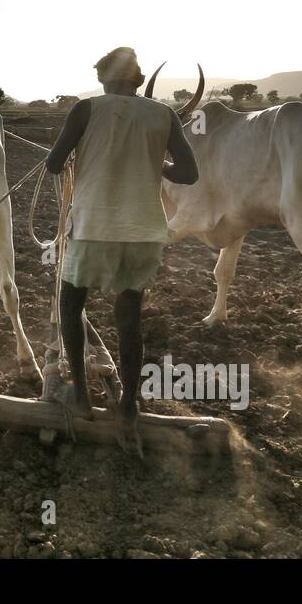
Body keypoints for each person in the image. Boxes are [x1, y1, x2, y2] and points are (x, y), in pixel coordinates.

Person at [45, 47, 199, 453]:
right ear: (137, 79)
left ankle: (79, 393)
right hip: (143, 232)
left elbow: (54, 164)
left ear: (102, 77)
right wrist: (155, 164)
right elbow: (189, 172)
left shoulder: (85, 109)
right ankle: (129, 404)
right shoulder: (163, 114)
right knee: (129, 318)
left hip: (94, 226)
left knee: (70, 305)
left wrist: (74, 154)